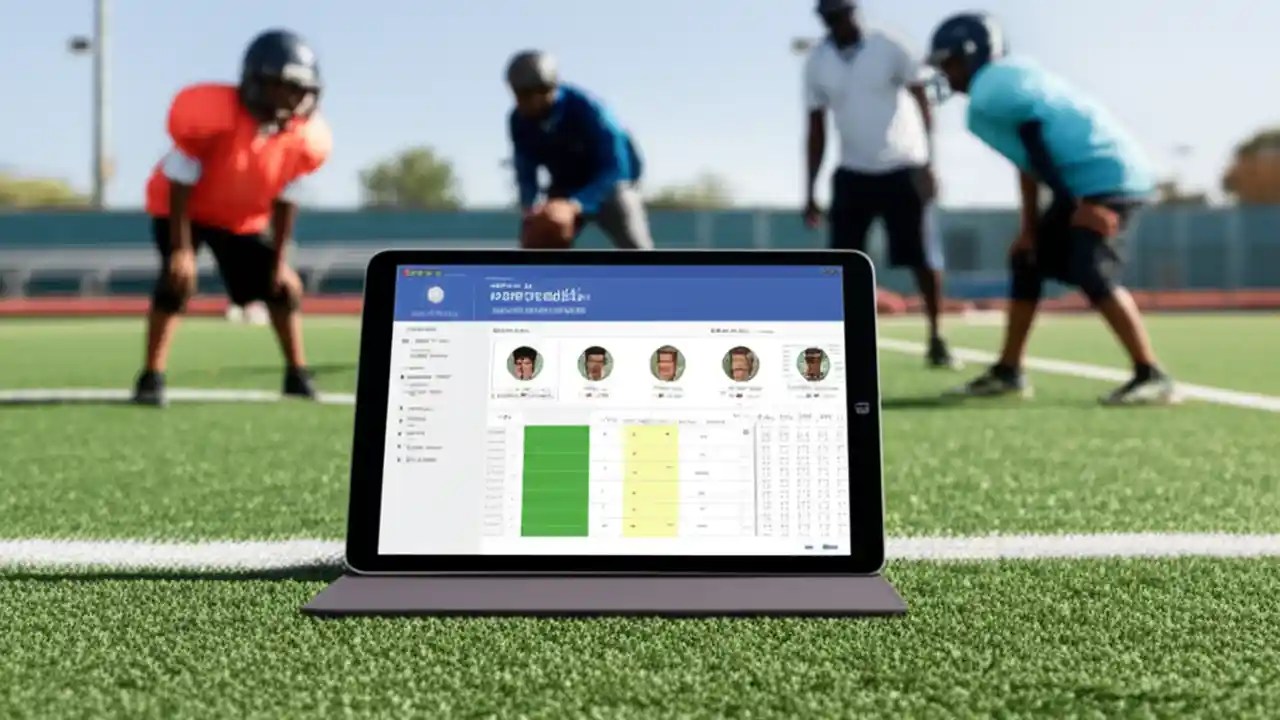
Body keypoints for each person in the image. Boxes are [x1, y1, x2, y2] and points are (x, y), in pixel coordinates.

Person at [927, 13, 1177, 405]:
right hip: (1081, 182)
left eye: (950, 62)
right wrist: (1029, 228)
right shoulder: (1003, 86)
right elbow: (1027, 161)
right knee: (1027, 260)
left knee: (1090, 266)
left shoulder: (994, 84)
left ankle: (1152, 373)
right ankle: (1009, 371)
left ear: (973, 55)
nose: (945, 73)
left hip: (1104, 178)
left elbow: (1036, 140)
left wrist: (1077, 205)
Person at [132, 29, 330, 408]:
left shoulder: (300, 139)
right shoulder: (213, 118)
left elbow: (286, 201)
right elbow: (180, 180)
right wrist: (181, 250)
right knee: (177, 283)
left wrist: (279, 262)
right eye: (289, 87)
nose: (297, 98)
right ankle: (151, 376)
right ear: (261, 82)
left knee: (283, 288)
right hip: (184, 213)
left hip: (238, 219)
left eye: (303, 89)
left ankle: (297, 373)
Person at [802, 0, 960, 370]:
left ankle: (937, 336)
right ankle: (840, 342)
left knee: (922, 257)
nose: (838, 22)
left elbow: (922, 99)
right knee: (840, 263)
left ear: (855, 11)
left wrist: (929, 162)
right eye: (830, 17)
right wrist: (810, 191)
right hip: (852, 171)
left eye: (843, 14)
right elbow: (816, 127)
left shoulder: (890, 44)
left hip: (904, 166)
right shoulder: (817, 62)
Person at [505, 50, 654, 250]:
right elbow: (525, 170)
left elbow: (617, 169)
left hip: (610, 185)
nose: (529, 101)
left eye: (537, 91)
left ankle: (646, 268)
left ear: (551, 87)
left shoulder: (590, 109)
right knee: (539, 233)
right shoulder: (519, 120)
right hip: (565, 187)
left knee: (633, 235)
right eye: (520, 94)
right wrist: (531, 210)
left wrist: (574, 205)